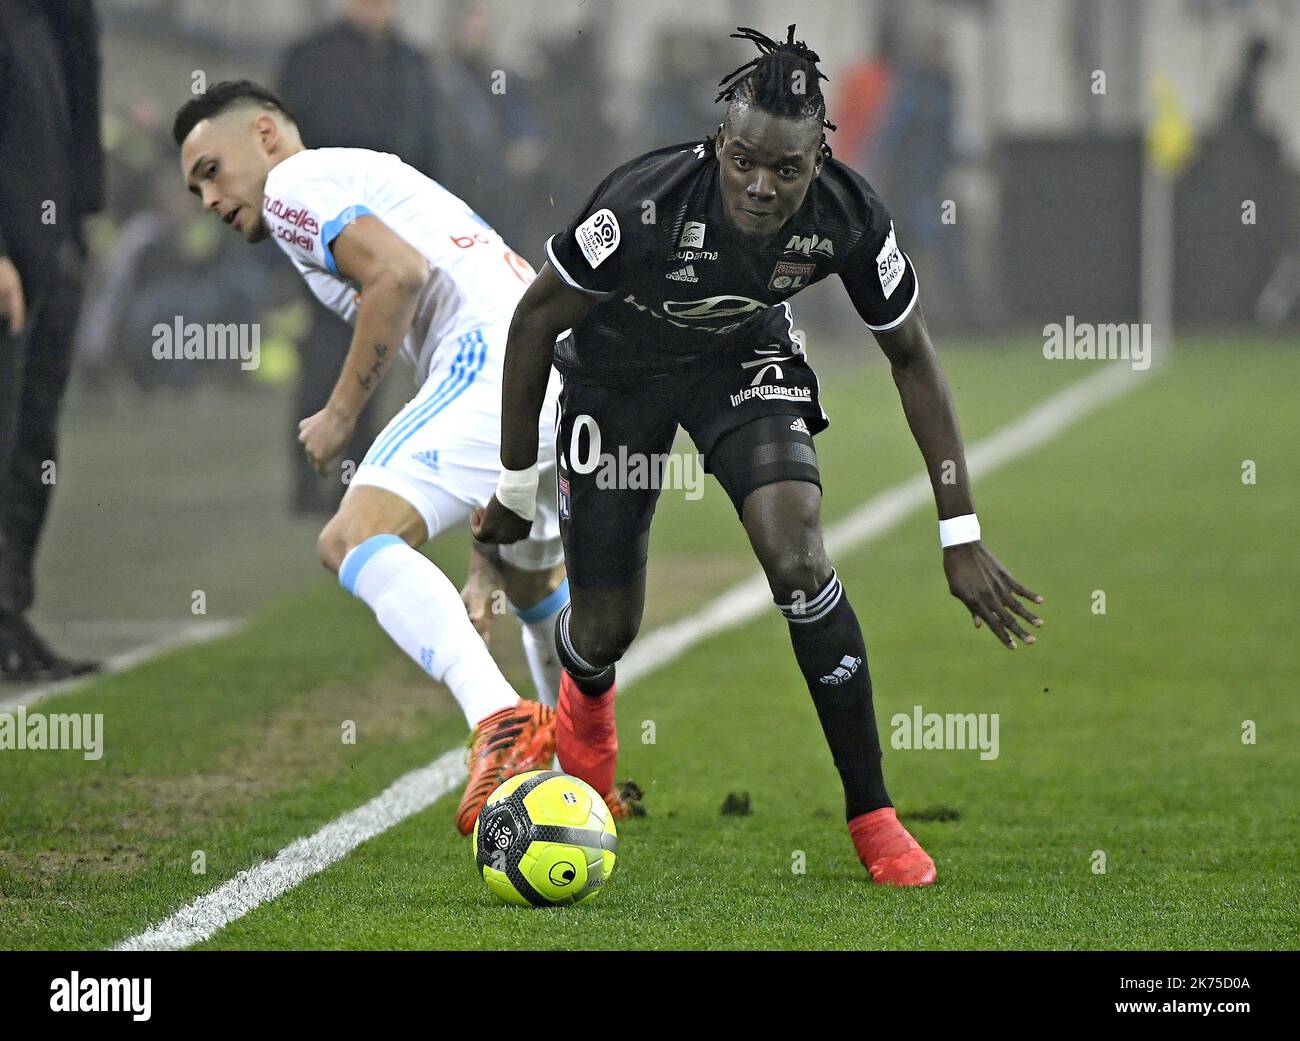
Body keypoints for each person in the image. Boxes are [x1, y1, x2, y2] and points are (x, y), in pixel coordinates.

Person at [472, 26, 1045, 886]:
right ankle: (586, 720)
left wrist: (959, 530)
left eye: (787, 169)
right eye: (744, 161)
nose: (761, 185)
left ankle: (873, 812)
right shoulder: (642, 206)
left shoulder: (848, 216)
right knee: (604, 626)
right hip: (615, 382)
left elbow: (914, 358)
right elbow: (533, 322)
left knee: (799, 555)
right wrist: (517, 487)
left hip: (738, 361)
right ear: (719, 145)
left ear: (820, 158)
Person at [172, 81, 569, 835]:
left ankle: (500, 718)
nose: (206, 200)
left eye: (210, 170)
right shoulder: (357, 174)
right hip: (552, 362)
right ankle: (585, 774)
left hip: (493, 356)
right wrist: (482, 560)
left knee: (351, 537)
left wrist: (338, 416)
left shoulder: (294, 183)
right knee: (530, 579)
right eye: (194, 188)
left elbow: (400, 275)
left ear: (264, 133)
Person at [275, 0, 440, 515]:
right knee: (324, 353)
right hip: (328, 228)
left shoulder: (412, 63)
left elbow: (428, 146)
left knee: (378, 350)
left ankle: (356, 481)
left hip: (391, 232)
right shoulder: (311, 58)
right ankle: (308, 479)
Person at [0, 0, 104, 680]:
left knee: (32, 442)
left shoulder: (60, 15)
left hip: (54, 247)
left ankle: (8, 617)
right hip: (9, 255)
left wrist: (75, 232)